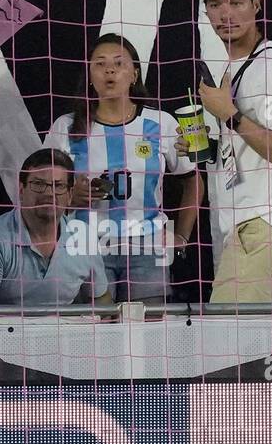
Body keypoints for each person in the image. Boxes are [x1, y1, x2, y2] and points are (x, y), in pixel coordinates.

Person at [44, 34, 202, 303]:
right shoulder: (66, 127)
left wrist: (182, 237)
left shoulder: (160, 123)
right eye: (100, 64)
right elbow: (41, 191)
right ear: (90, 76)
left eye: (119, 63)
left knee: (146, 337)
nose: (110, 70)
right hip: (86, 245)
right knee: (94, 336)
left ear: (134, 75)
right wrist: (70, 198)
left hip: (148, 246)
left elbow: (193, 180)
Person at [181, 0, 272, 303]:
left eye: (236, 2)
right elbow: (248, 149)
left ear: (256, 5)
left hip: (264, 227)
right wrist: (207, 146)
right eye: (215, 4)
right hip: (248, 229)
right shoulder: (236, 67)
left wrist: (230, 116)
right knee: (267, 351)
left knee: (227, 344)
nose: (226, 13)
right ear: (205, 13)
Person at [0, 148, 112, 307]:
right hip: (6, 331)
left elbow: (102, 301)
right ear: (21, 190)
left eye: (58, 185)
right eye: (38, 184)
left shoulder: (84, 235)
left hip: (66, 330)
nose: (49, 193)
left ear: (70, 195)